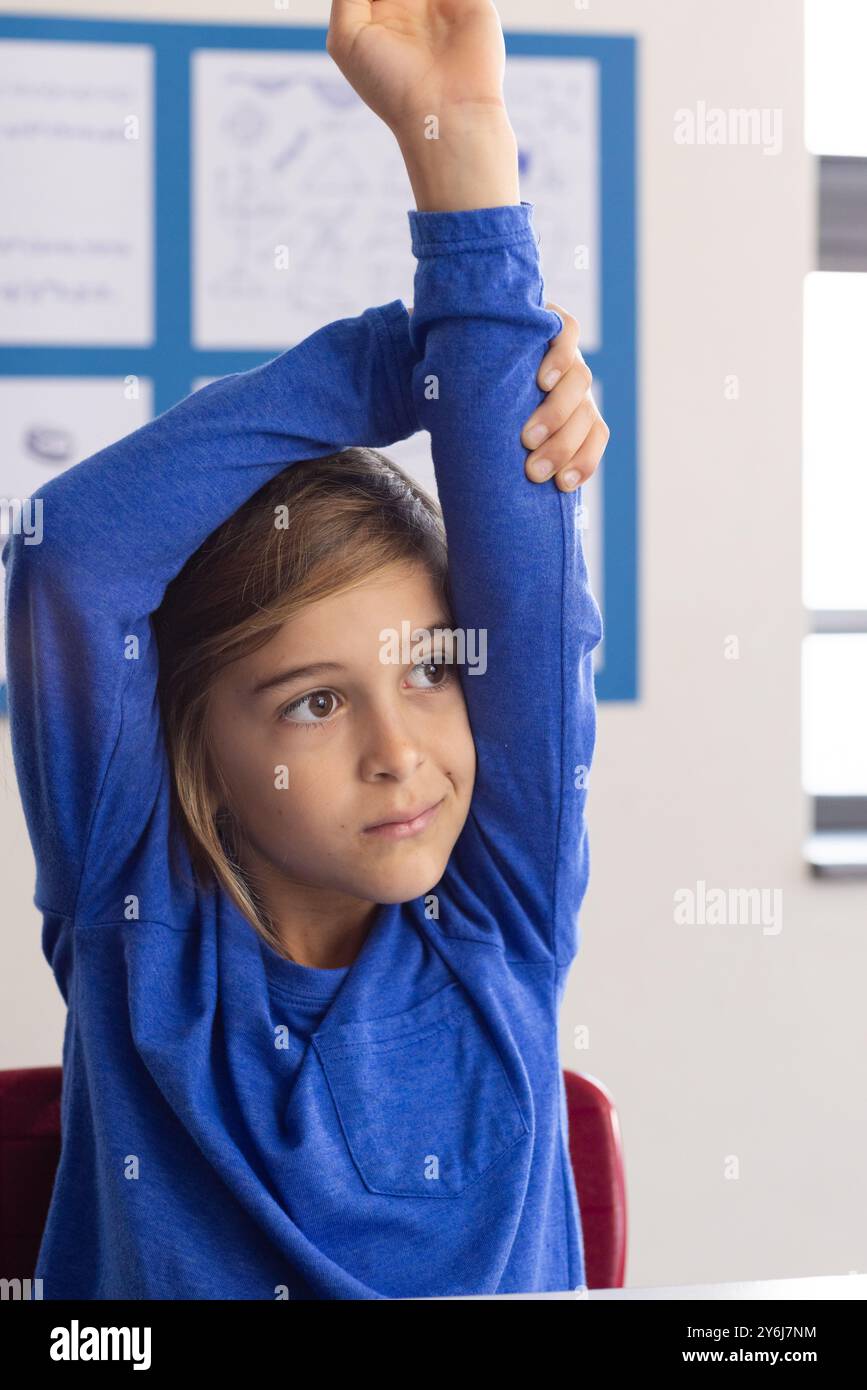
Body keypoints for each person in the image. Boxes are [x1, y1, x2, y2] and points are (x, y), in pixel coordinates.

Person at [4, 0, 607, 1299]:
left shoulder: (500, 903)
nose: (402, 753)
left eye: (431, 668)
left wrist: (465, 164)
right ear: (199, 753)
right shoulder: (135, 913)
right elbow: (69, 550)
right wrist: (414, 356)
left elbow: (522, 572)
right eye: (317, 701)